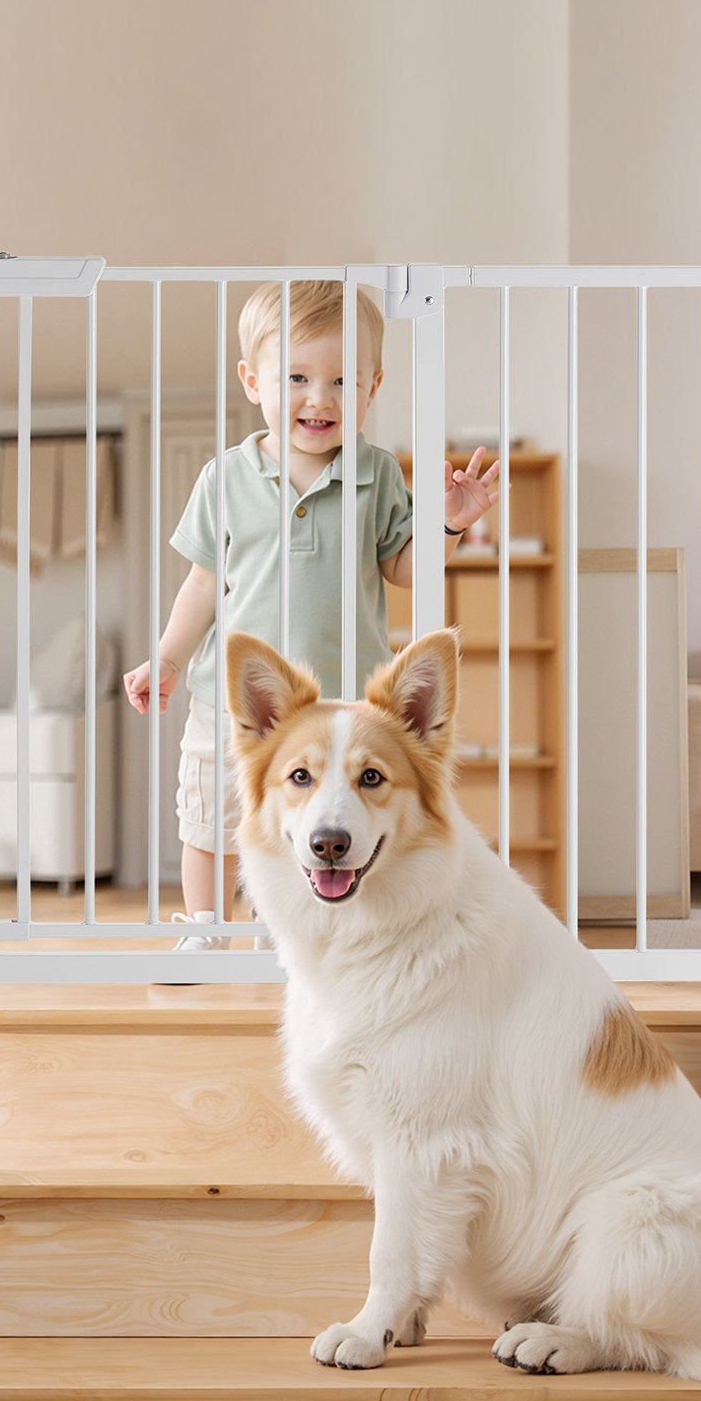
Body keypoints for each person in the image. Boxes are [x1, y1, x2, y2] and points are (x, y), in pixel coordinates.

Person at [123, 279, 499, 952]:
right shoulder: (225, 477)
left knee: (316, 813)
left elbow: (403, 570)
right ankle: (205, 928)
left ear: (373, 389)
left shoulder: (377, 475)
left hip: (338, 703)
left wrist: (445, 526)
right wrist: (170, 657)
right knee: (207, 817)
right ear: (251, 380)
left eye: (342, 382)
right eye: (296, 376)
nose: (319, 398)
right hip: (233, 700)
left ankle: (282, 930)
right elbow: (203, 582)